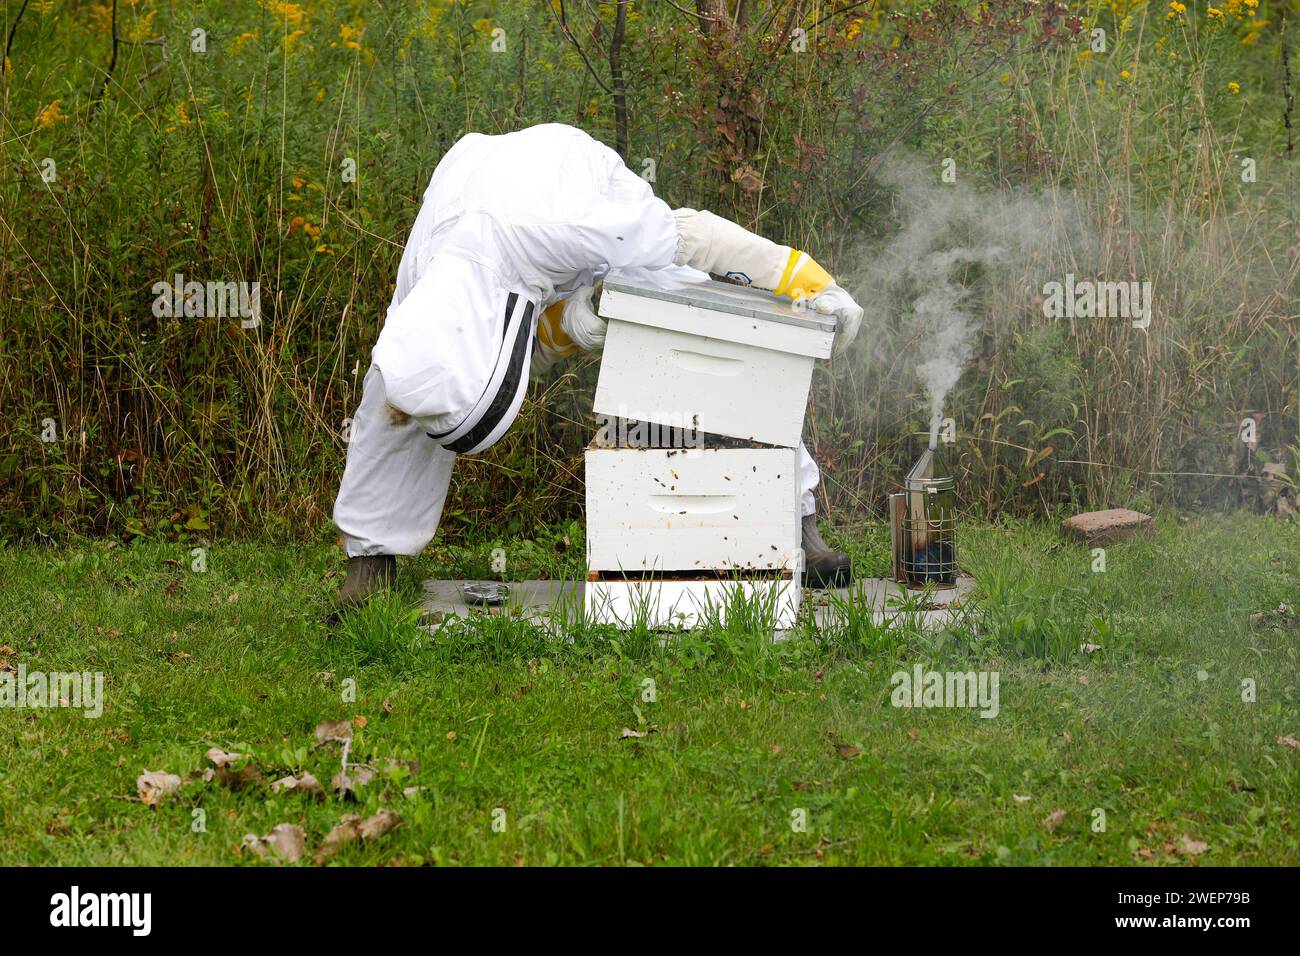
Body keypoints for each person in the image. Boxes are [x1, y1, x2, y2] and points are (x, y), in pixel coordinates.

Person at [333, 123, 864, 607]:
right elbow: (502, 352)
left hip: (568, 178)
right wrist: (566, 326)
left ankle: (797, 522)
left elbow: (691, 237)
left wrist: (808, 280)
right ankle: (370, 564)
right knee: (392, 395)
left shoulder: (573, 220)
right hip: (470, 175)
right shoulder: (424, 283)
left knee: (702, 322)